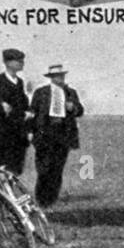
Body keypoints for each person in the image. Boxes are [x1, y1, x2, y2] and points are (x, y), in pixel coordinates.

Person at [29, 64, 85, 209]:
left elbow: (80, 110)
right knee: (43, 168)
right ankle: (41, 199)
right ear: (51, 78)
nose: (59, 78)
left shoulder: (70, 92)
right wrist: (30, 132)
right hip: (44, 133)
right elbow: (32, 113)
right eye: (56, 76)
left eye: (61, 75)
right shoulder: (41, 92)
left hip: (63, 134)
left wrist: (73, 108)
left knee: (57, 168)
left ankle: (51, 200)